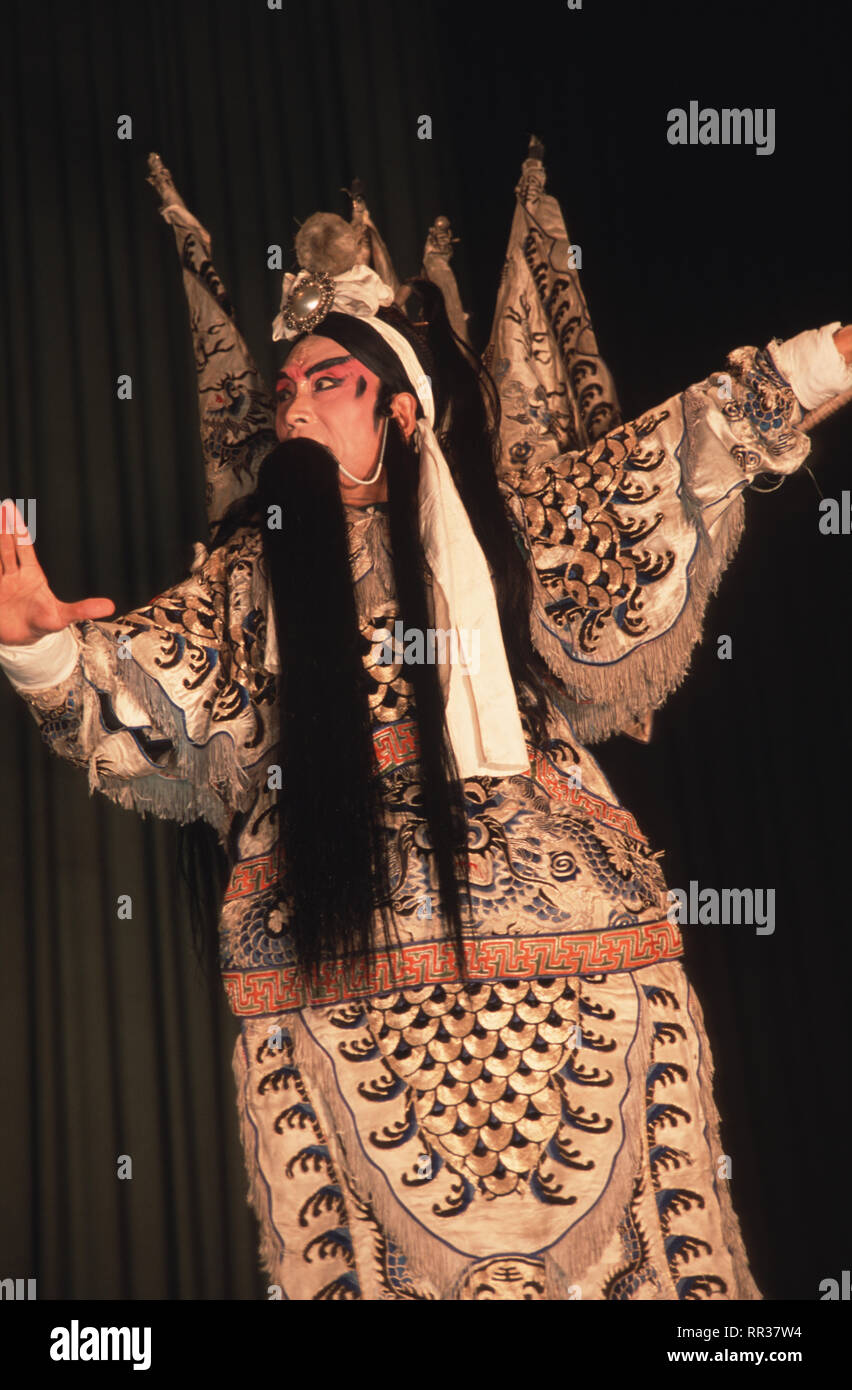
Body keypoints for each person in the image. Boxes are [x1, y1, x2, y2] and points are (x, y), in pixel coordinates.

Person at [1, 184, 850, 1301]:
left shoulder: (502, 532)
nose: (295, 406)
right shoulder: (251, 582)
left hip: (579, 953)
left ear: (402, 407)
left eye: (329, 382)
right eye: (286, 389)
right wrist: (36, 653)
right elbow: (132, 690)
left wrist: (824, 357)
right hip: (343, 975)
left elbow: (677, 451)